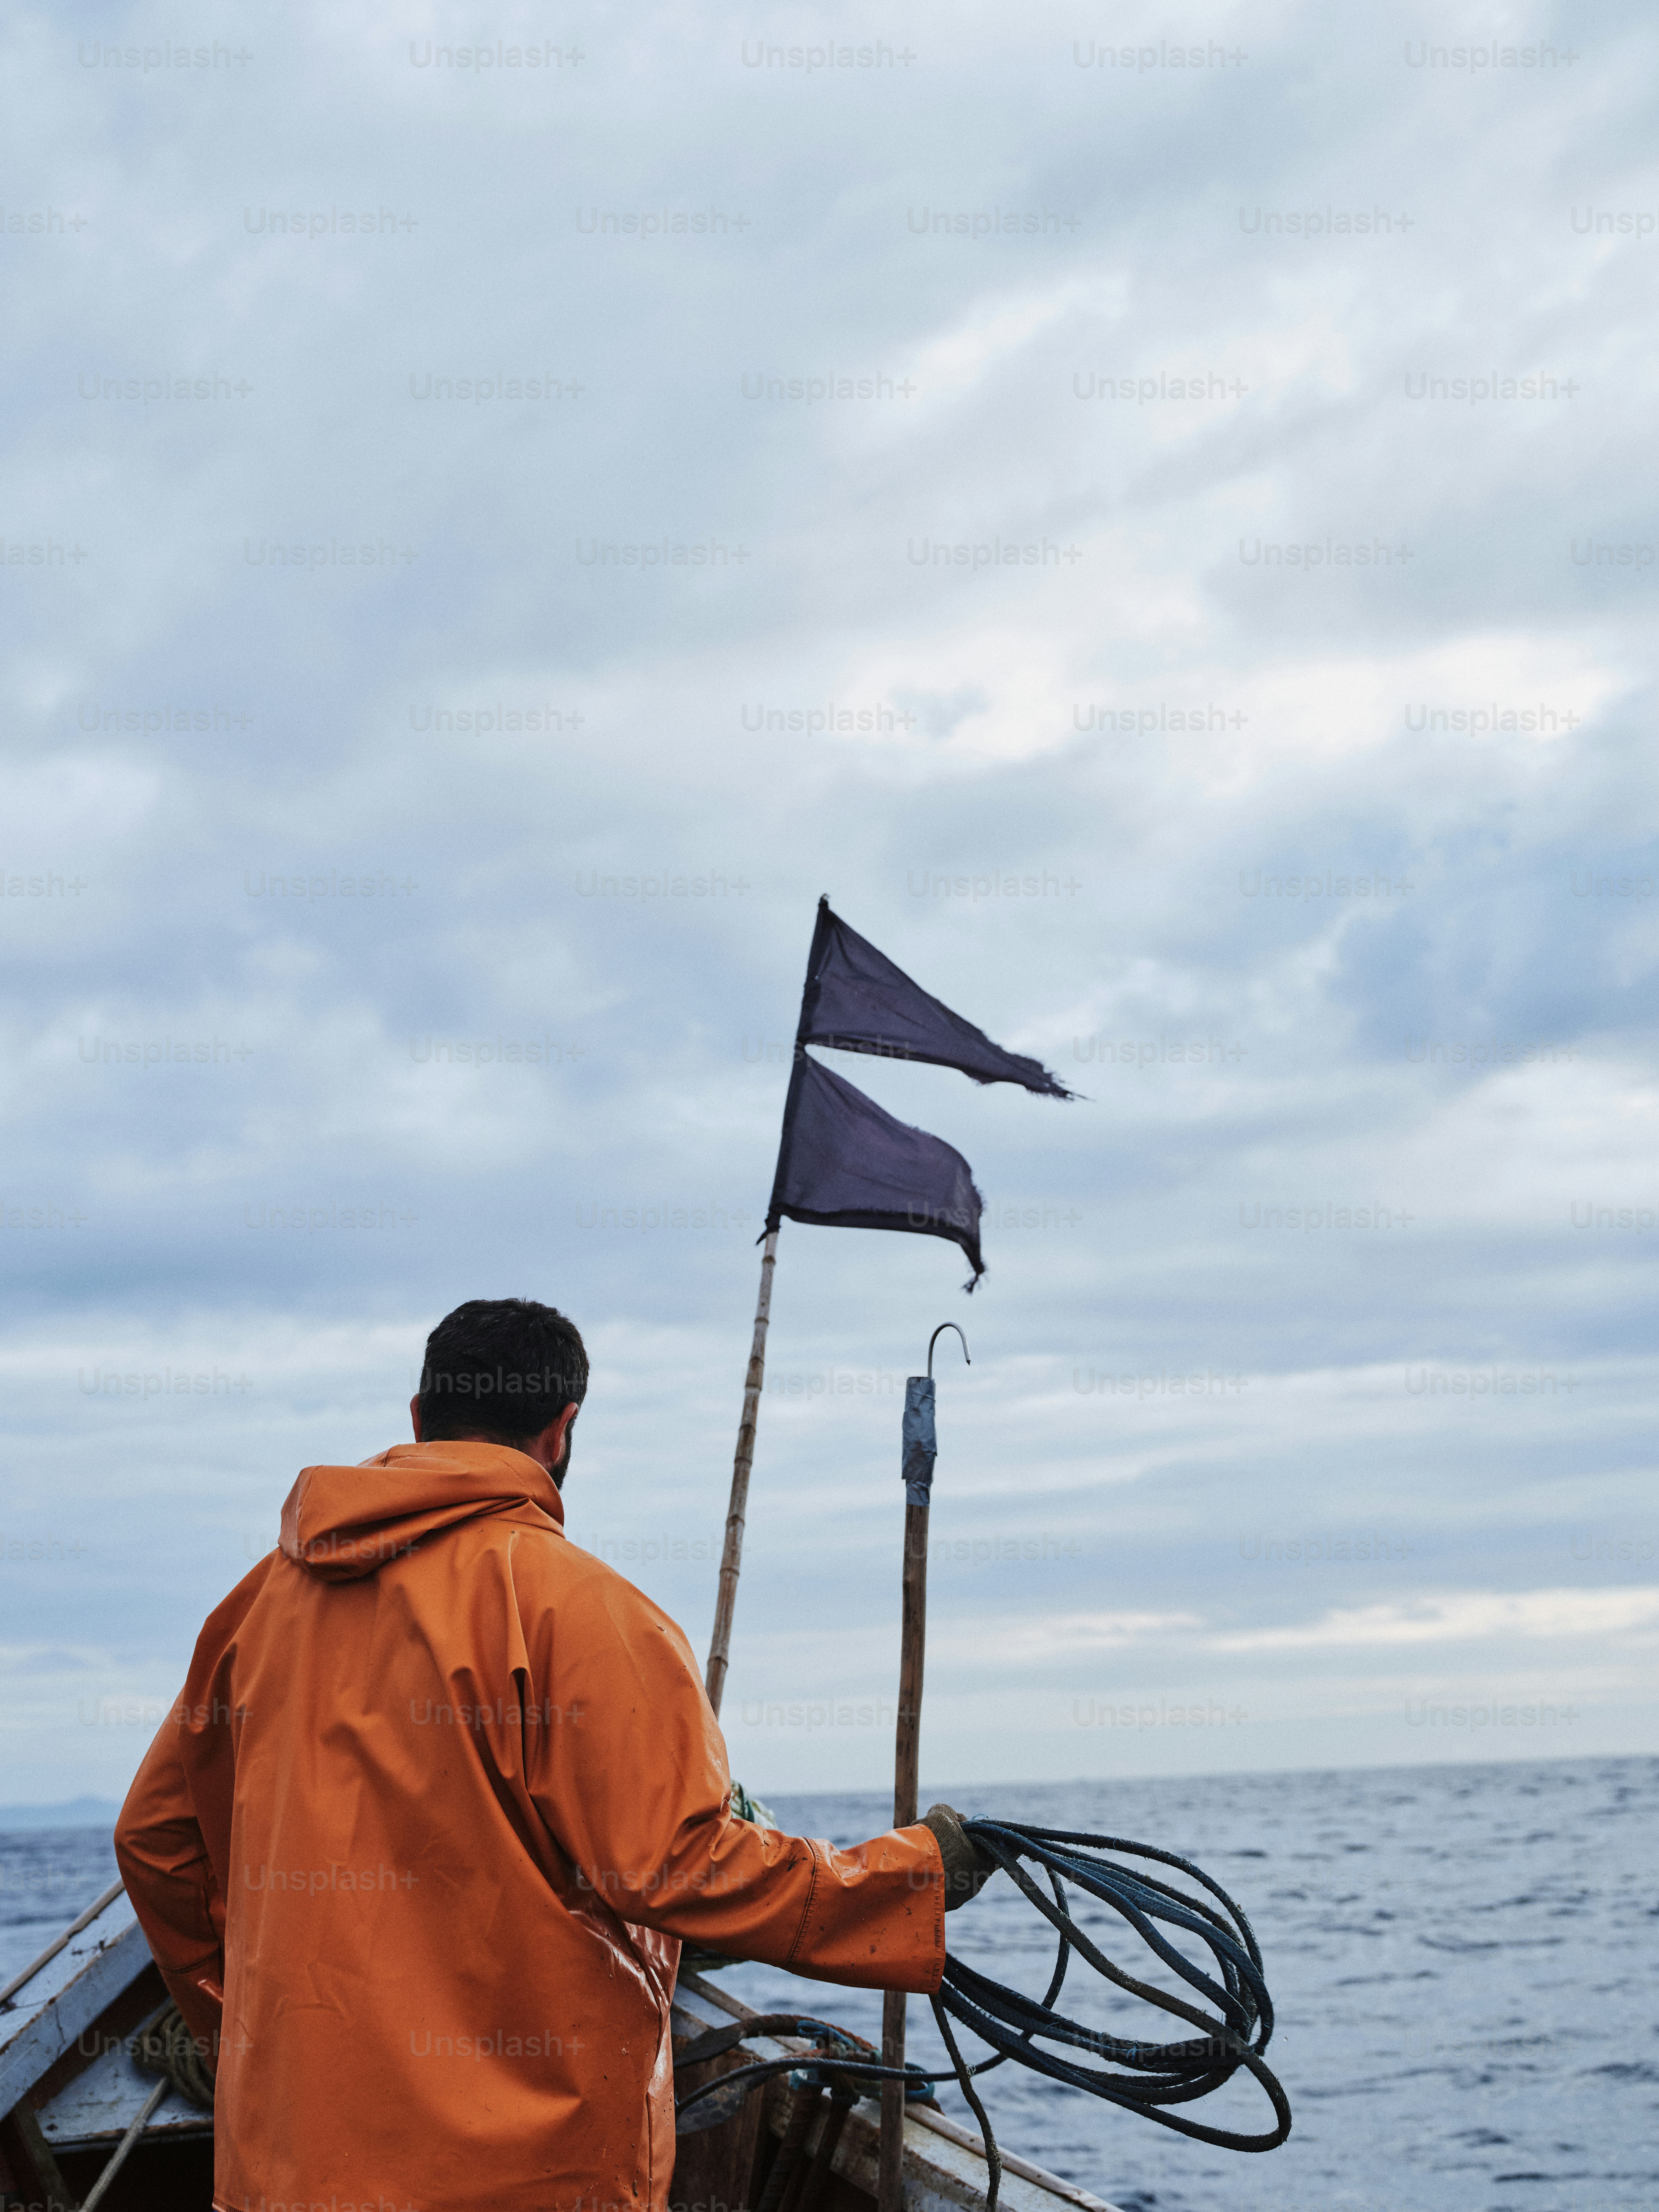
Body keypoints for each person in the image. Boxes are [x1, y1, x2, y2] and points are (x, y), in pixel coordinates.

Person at [115, 1296, 991, 2212]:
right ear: (562, 1429)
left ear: (419, 1419)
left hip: (284, 2173)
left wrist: (245, 2029)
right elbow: (682, 1868)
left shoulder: (254, 1608)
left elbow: (154, 1842)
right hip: (521, 2181)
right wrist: (916, 1872)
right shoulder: (588, 1613)